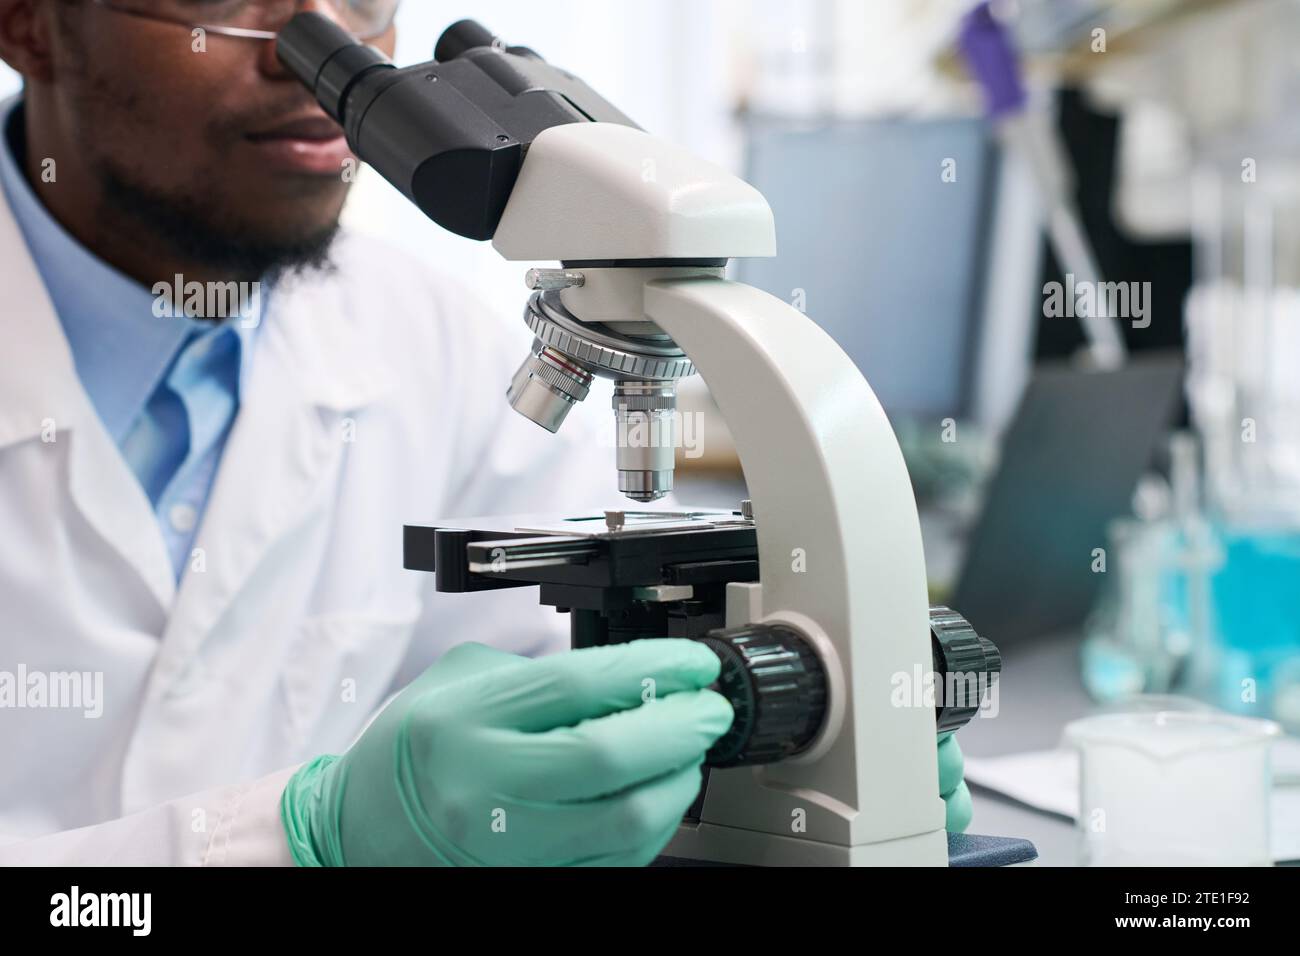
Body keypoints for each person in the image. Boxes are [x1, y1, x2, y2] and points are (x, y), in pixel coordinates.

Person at [0, 0, 970, 866]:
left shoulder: (437, 343)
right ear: (28, 26)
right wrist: (308, 837)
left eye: (362, 0)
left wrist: (764, 761)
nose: (315, 47)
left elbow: (559, 700)